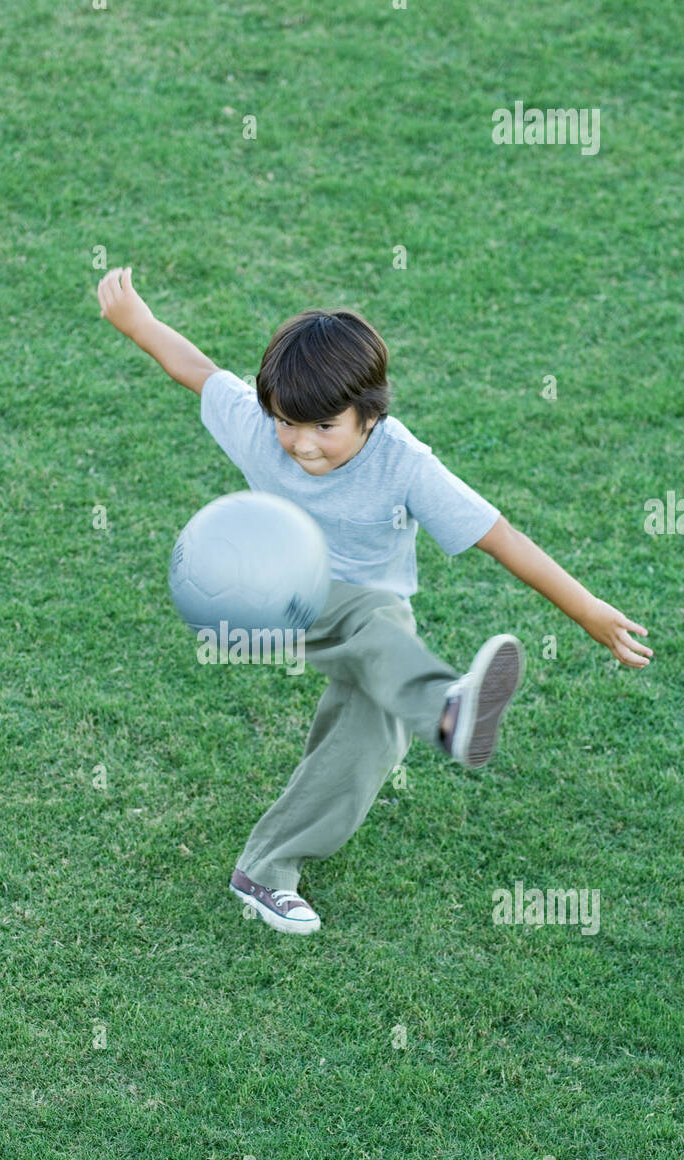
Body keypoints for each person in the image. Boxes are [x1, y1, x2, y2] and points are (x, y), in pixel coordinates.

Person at [97, 267, 653, 935]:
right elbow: (196, 369)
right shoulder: (257, 425)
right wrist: (138, 323)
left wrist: (586, 609)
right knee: (374, 622)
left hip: (372, 618)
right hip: (272, 592)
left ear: (371, 412)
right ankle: (446, 710)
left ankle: (265, 870)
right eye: (285, 421)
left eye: (324, 426)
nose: (301, 442)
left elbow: (499, 538)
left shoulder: (404, 464)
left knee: (370, 732)